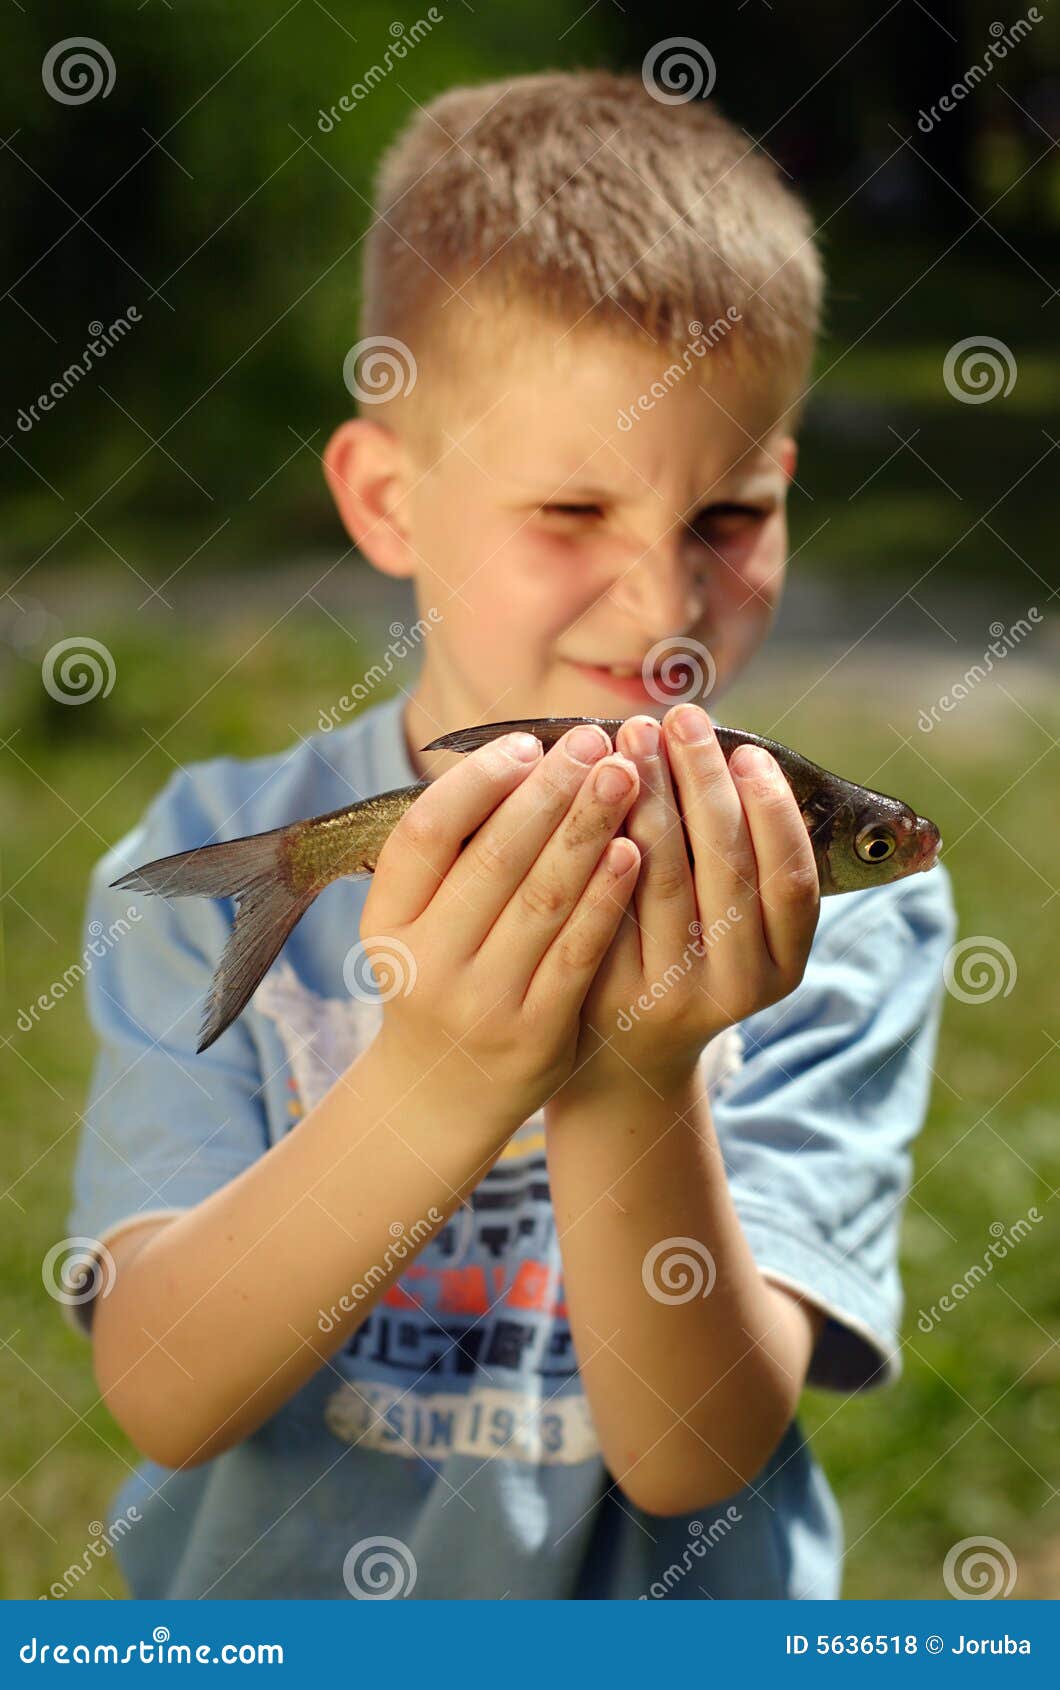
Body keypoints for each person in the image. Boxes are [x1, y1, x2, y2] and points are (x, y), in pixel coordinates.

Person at [65, 69, 954, 1600]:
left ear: (786, 492)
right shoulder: (211, 848)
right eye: (569, 511)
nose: (661, 606)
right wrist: (441, 1073)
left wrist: (634, 1075)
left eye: (724, 519)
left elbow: (697, 1458)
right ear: (387, 499)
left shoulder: (838, 909)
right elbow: (162, 1390)